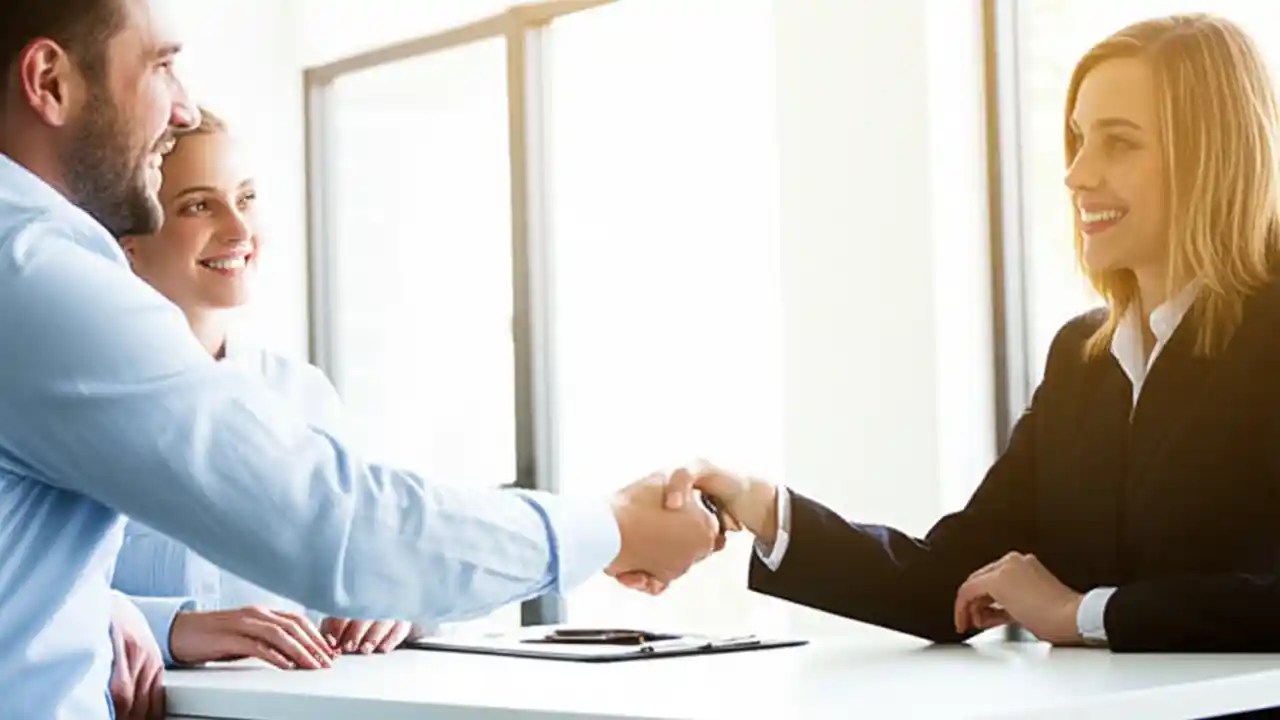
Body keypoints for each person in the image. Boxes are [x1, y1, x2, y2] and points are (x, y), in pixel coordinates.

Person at [0, 1, 718, 718]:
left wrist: (102, 607)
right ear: (49, 82)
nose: (182, 107)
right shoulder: (37, 275)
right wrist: (613, 526)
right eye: (160, 65)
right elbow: (337, 528)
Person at [662, 13, 1280, 652]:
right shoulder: (1083, 360)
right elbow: (946, 585)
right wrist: (760, 507)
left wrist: (1083, 613)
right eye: (1078, 139)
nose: (1077, 174)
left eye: (1119, 143)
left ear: (1214, 156)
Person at [108, 106, 419, 671]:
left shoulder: (302, 395)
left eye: (245, 198)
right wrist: (171, 628)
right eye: (198, 205)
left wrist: (394, 596)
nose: (238, 229)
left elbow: (388, 554)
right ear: (129, 243)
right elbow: (27, 592)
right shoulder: (71, 399)